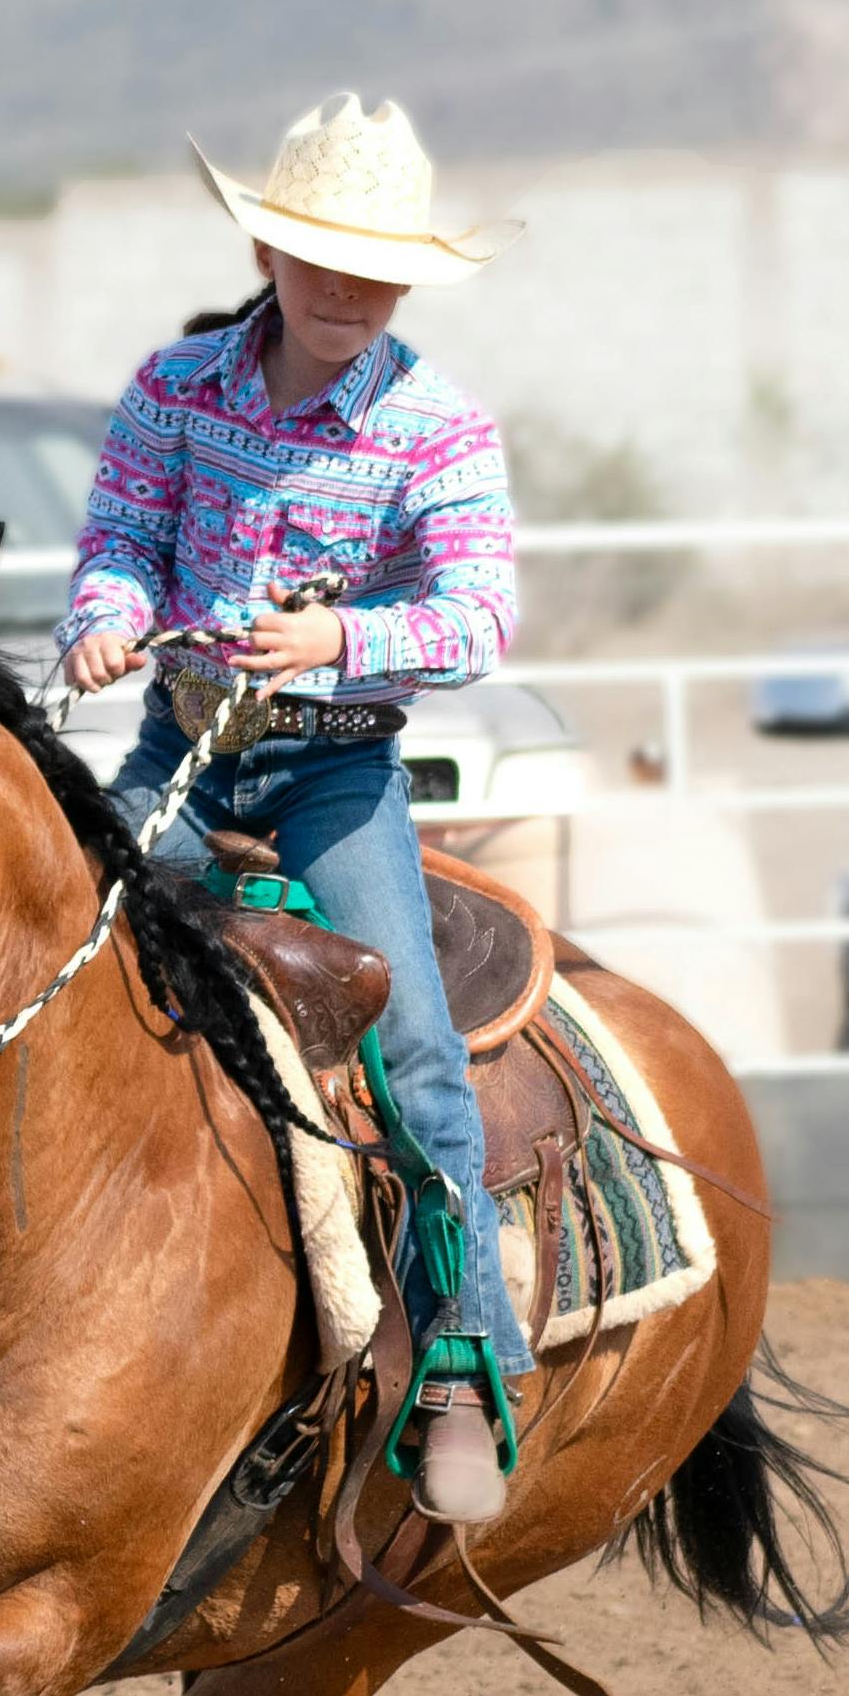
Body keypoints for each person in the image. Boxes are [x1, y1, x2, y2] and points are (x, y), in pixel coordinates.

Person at [58, 93, 530, 1525]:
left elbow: (479, 618)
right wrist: (102, 617)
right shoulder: (174, 388)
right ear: (267, 253)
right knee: (39, 965)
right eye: (320, 259)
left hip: (331, 768)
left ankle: (462, 1358)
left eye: (375, 268)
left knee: (415, 1050)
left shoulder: (435, 427)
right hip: (180, 737)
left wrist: (338, 643)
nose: (344, 291)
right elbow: (121, 538)